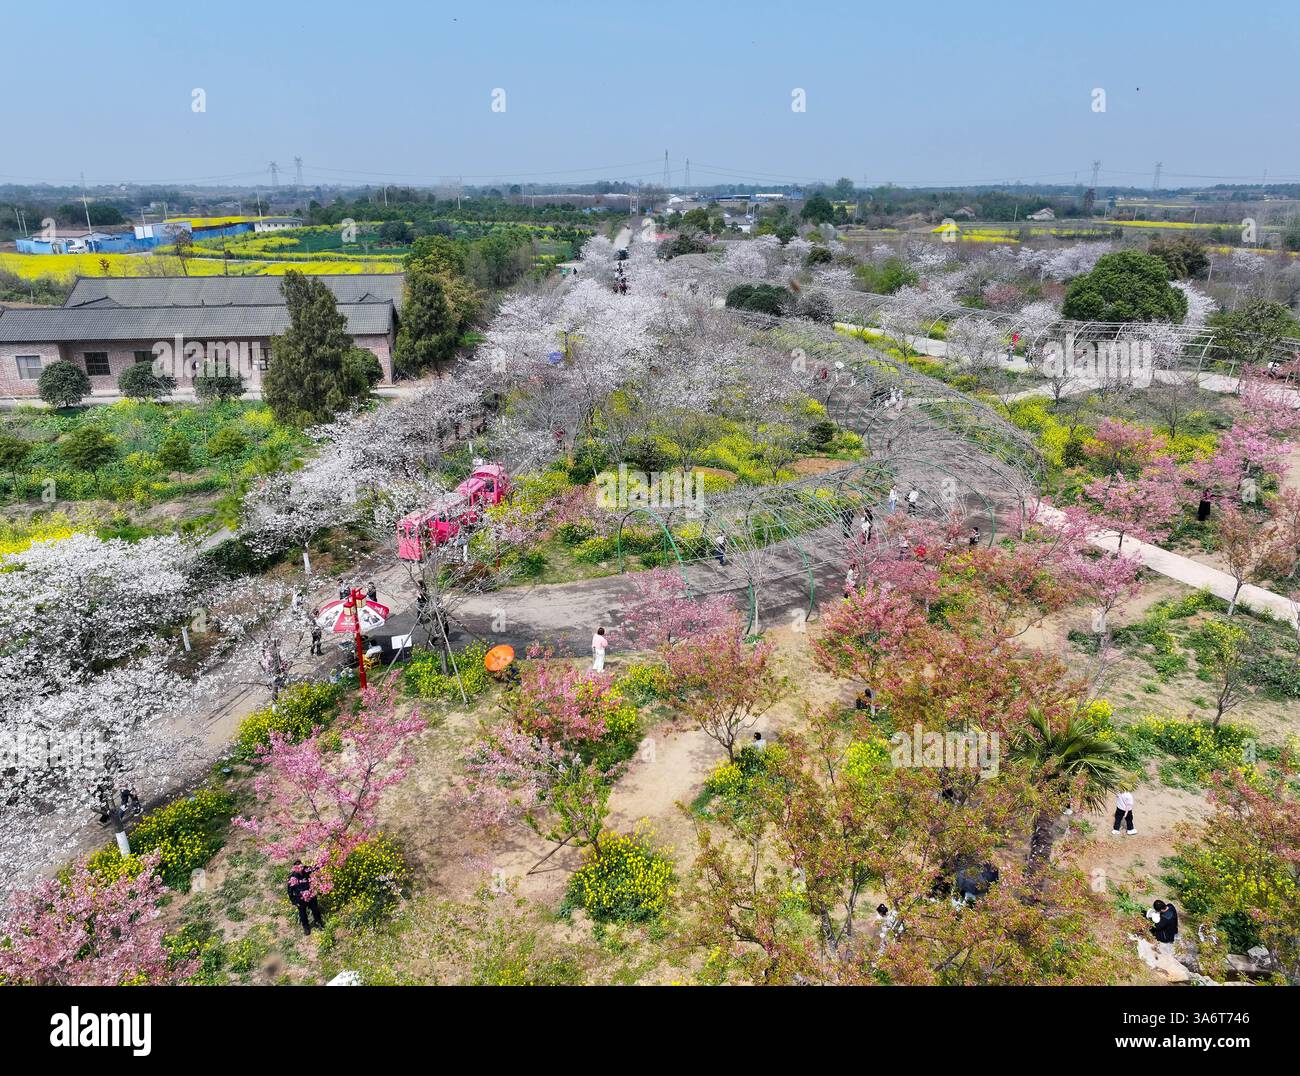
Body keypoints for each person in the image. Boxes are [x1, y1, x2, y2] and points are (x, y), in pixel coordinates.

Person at [287, 861, 325, 936]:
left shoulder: (306, 870)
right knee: (302, 914)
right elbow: (289, 891)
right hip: (300, 898)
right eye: (297, 867)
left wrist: (323, 862)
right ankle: (306, 927)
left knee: (315, 910)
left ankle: (318, 923)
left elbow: (315, 868)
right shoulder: (292, 877)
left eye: (301, 866)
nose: (300, 868)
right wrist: (294, 901)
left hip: (311, 895)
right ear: (295, 868)